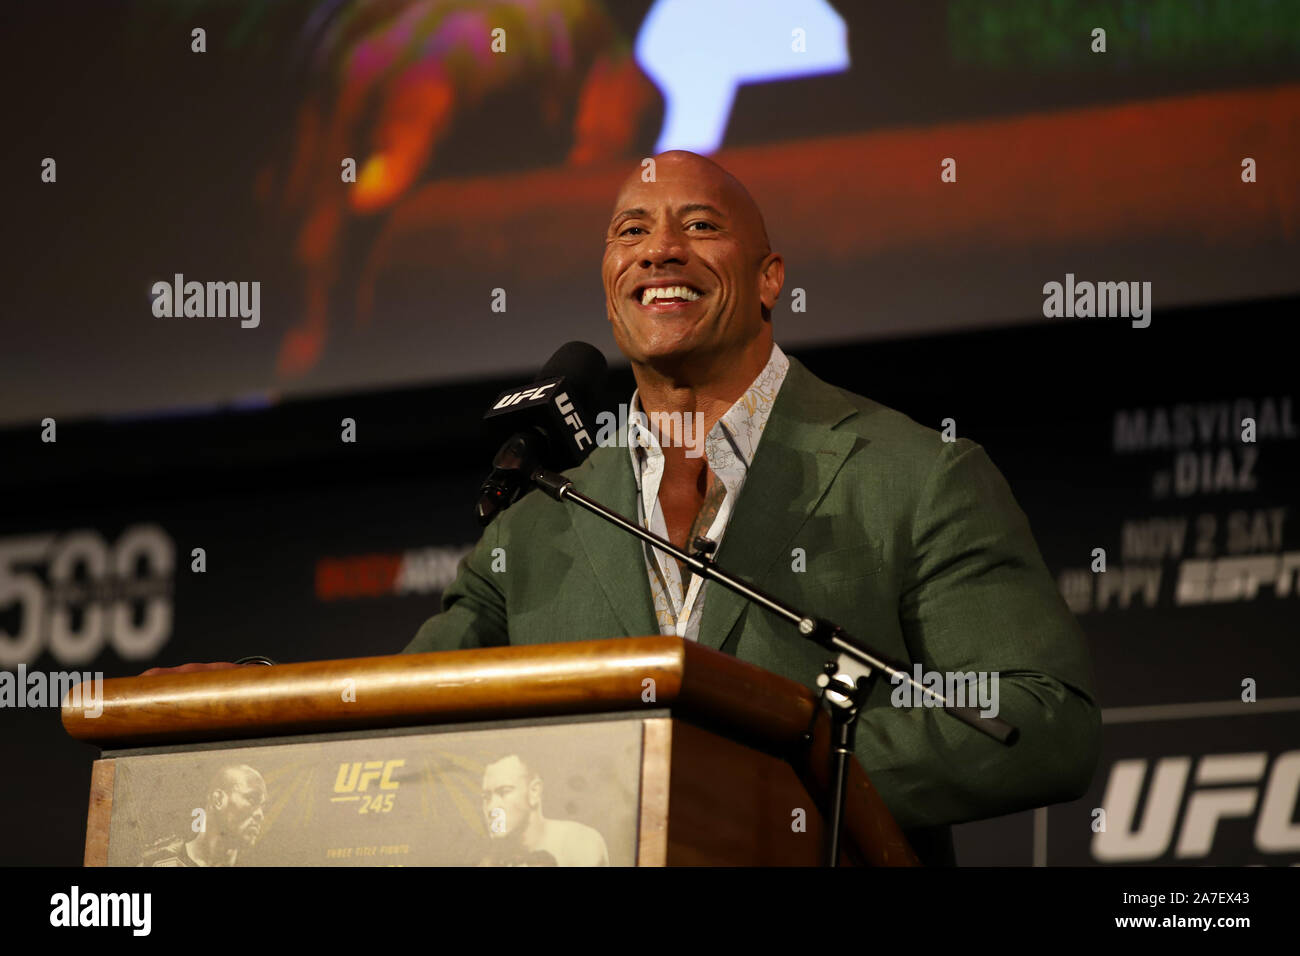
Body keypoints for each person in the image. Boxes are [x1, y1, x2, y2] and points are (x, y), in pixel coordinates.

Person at [404, 150, 1102, 866]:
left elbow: (1040, 722)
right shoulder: (538, 520)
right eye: (630, 233)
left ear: (770, 279)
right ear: (609, 283)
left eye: (699, 225)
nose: (660, 251)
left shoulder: (915, 475)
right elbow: (406, 730)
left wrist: (779, 774)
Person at [478, 754, 608, 866]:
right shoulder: (490, 862)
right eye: (486, 797)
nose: (491, 807)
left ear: (534, 791)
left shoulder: (578, 843)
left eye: (504, 792)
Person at [140, 764, 268, 867]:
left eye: (262, 807)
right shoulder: (157, 863)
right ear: (218, 799)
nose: (260, 814)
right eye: (252, 799)